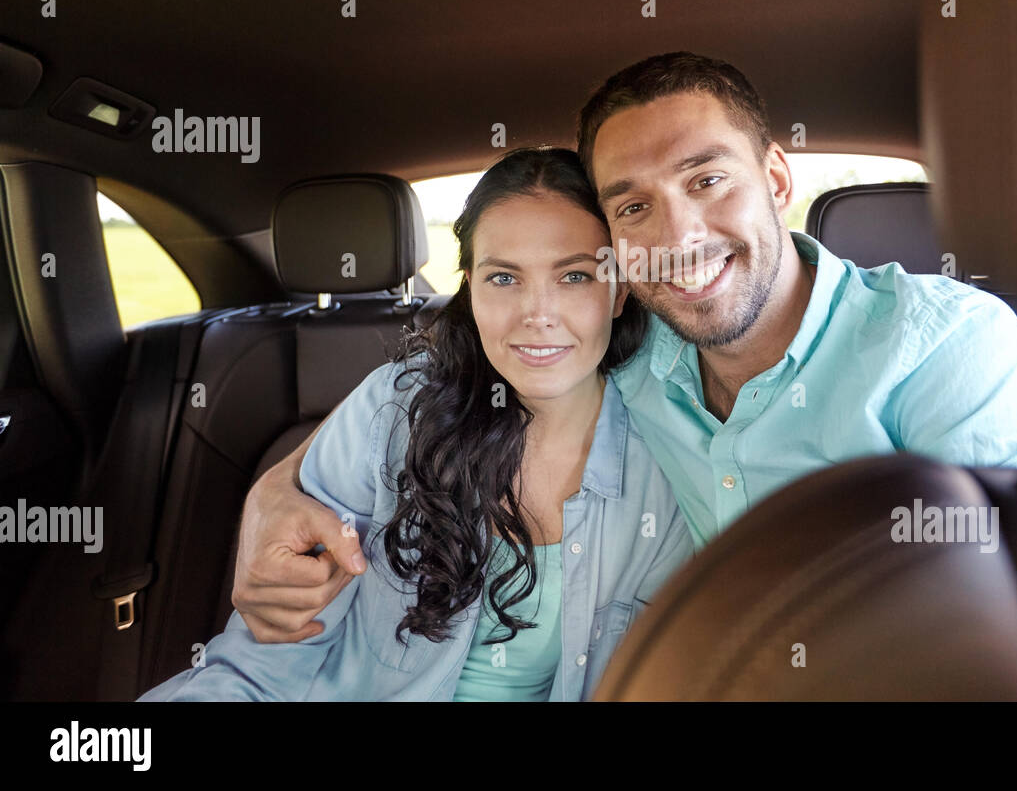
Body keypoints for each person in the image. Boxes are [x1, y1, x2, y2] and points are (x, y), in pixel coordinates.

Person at [230, 52, 1017, 643]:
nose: (678, 239)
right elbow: (439, 391)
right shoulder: (630, 349)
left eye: (707, 181)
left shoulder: (942, 344)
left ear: (776, 181)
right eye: (633, 208)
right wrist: (274, 495)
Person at [139, 147, 693, 700]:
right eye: (504, 279)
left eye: (574, 276)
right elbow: (266, 660)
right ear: (470, 288)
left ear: (620, 290)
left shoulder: (668, 453)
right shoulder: (394, 411)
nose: (537, 314)